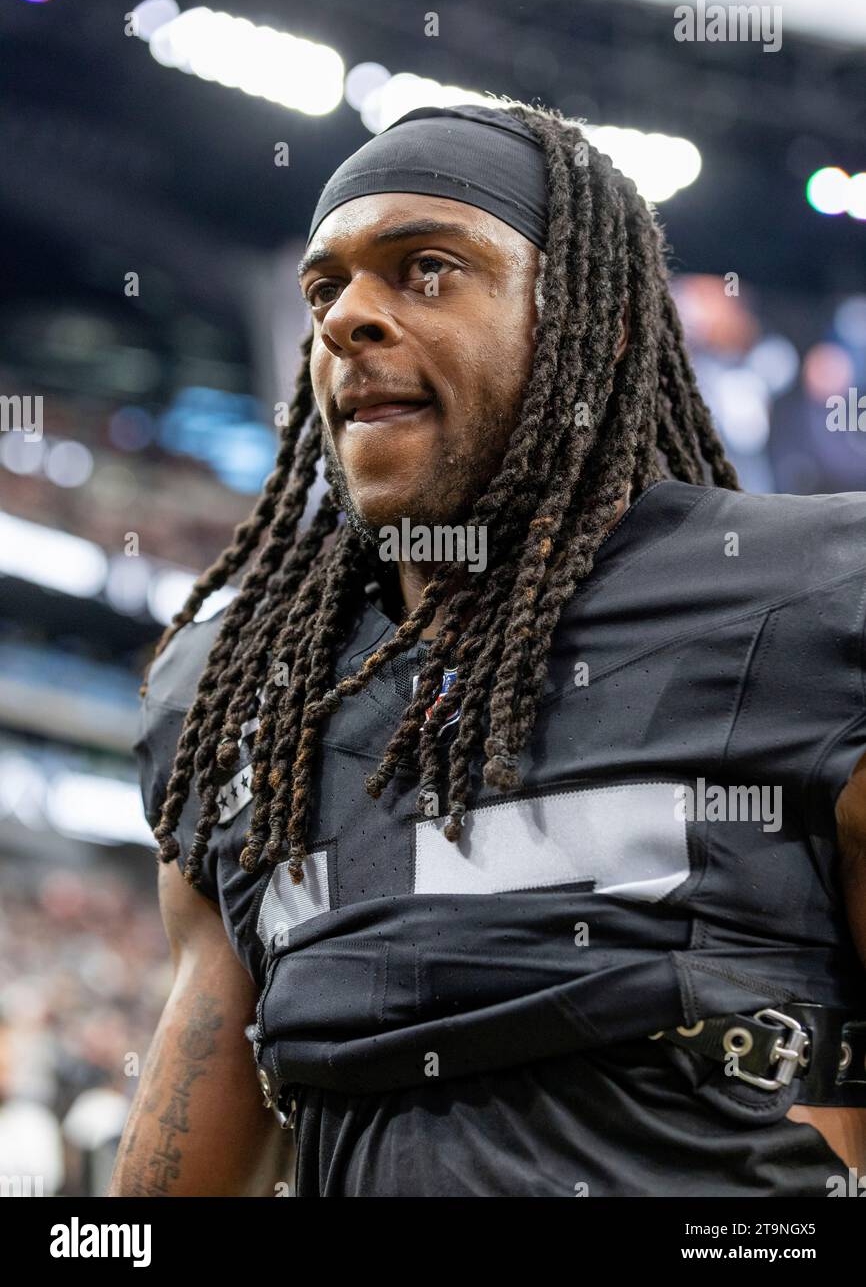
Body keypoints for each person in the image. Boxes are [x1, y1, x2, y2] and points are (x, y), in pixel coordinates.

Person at [109, 99, 866, 1198]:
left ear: (586, 325)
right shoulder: (237, 702)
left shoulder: (808, 611)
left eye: (424, 270)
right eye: (326, 288)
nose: (346, 318)